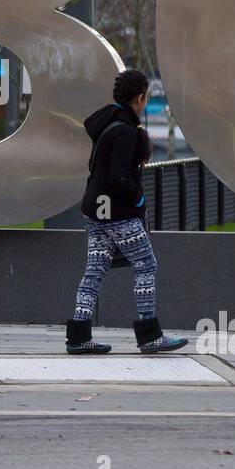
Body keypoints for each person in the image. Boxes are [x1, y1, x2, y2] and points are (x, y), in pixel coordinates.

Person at [65, 69, 188, 355]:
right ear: (141, 97)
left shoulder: (107, 124)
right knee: (146, 265)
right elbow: (120, 177)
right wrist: (138, 201)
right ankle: (150, 335)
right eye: (146, 96)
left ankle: (78, 337)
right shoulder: (125, 132)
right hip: (118, 213)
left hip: (94, 210)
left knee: (94, 271)